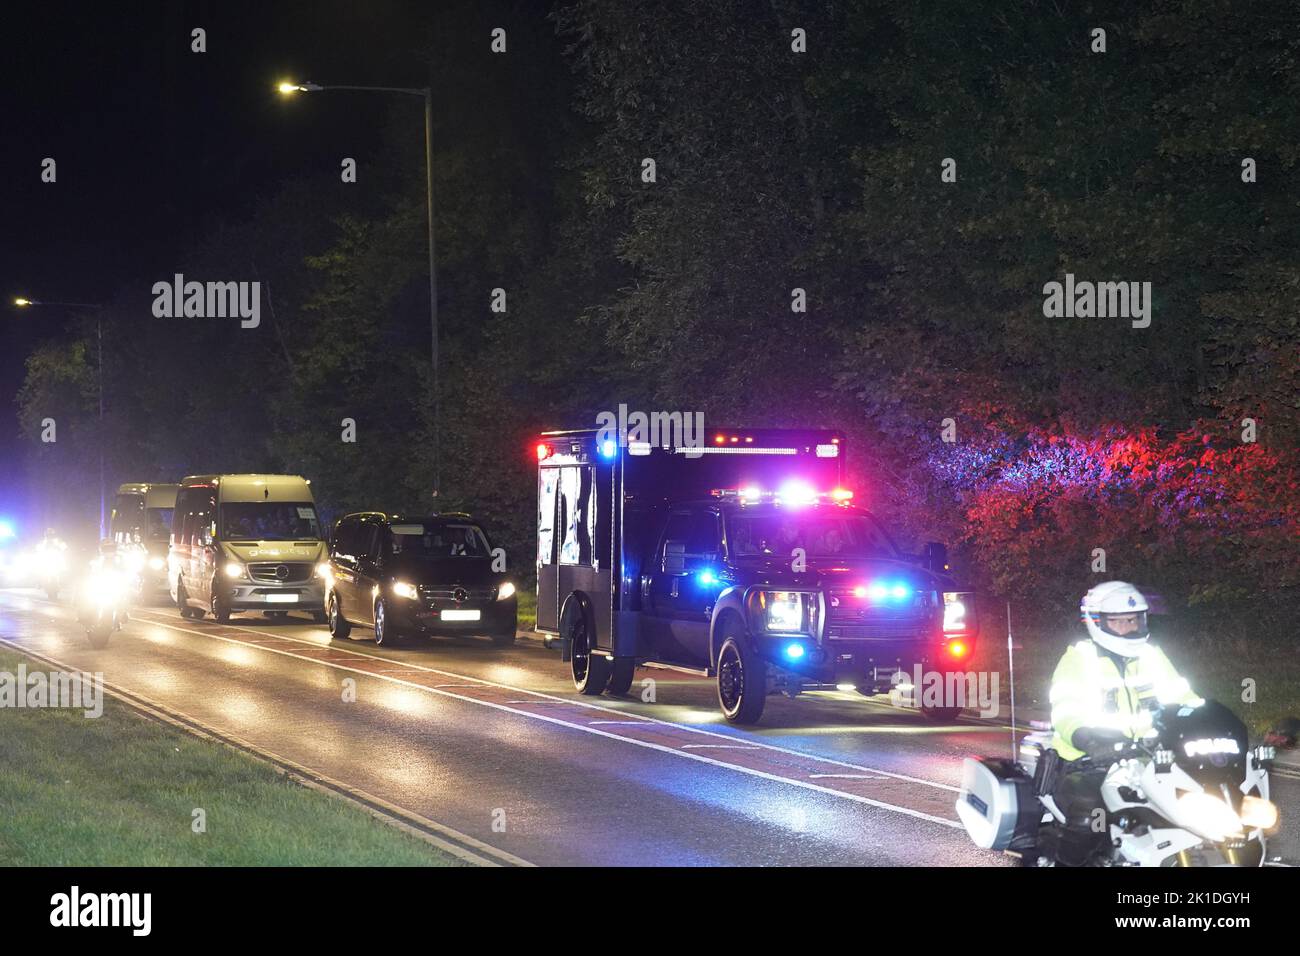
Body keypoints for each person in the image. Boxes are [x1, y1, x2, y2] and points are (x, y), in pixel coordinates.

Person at [1045, 581, 1202, 865]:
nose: (1128, 627)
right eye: (1118, 622)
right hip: (1088, 763)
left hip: (1147, 760)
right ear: (1096, 623)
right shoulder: (1080, 658)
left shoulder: (1151, 655)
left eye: (1133, 620)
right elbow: (1066, 710)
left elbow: (1185, 699)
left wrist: (1207, 725)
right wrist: (1086, 738)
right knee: (1091, 816)